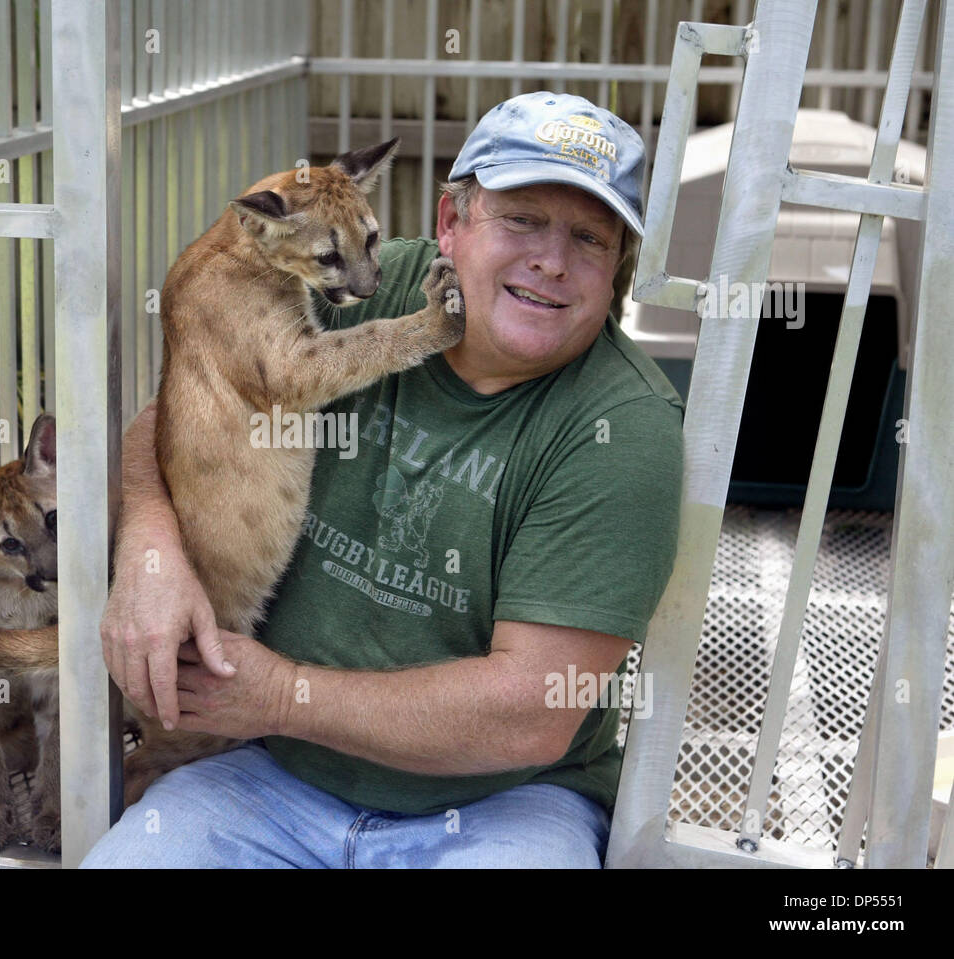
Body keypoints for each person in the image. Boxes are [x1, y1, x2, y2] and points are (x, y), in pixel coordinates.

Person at [83, 91, 684, 868]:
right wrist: (150, 555)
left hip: (501, 806)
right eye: (522, 219)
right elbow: (165, 422)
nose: (551, 260)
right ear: (451, 224)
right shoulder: (376, 283)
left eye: (589, 238)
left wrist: (279, 694)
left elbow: (528, 715)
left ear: (618, 272)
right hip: (270, 772)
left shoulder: (623, 429)